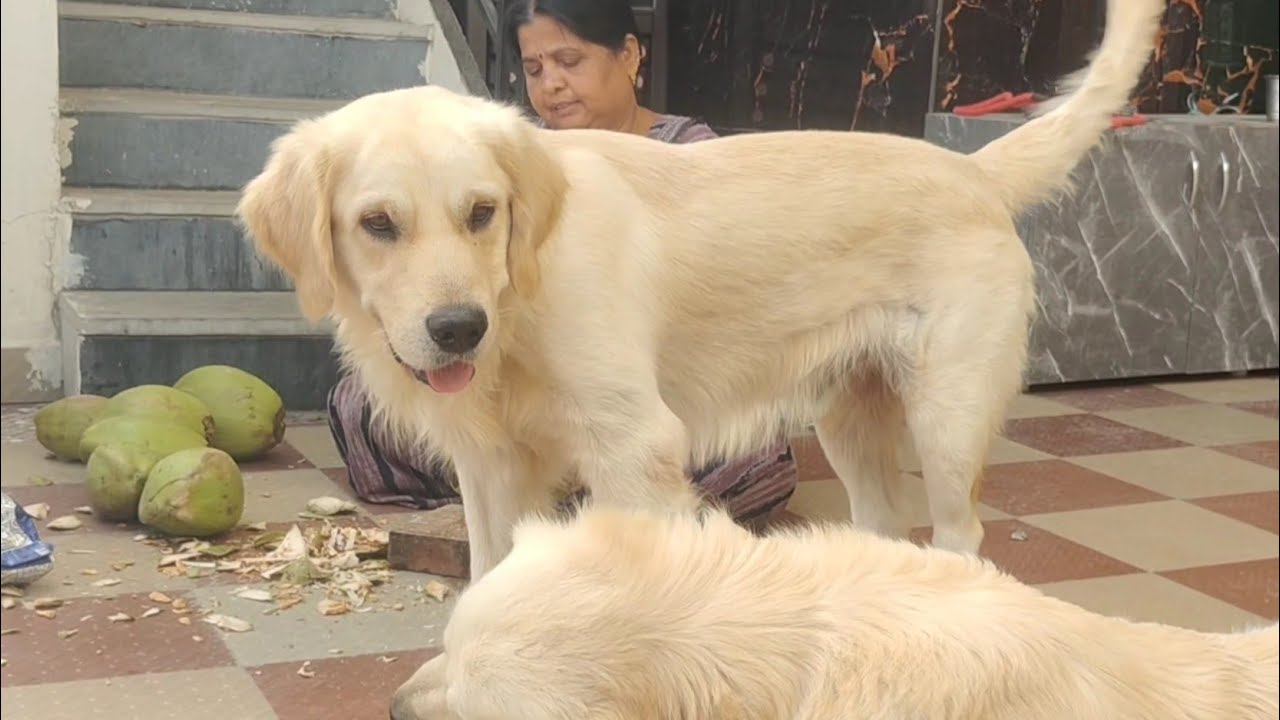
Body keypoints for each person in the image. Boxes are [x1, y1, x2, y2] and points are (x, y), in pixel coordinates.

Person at [326, 0, 799, 528]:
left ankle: (590, 512)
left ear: (629, 56)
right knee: (364, 405)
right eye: (534, 69)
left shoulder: (687, 153)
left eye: (570, 61)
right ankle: (565, 506)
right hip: (525, 403)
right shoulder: (516, 158)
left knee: (741, 455)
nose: (551, 84)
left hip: (660, 391)